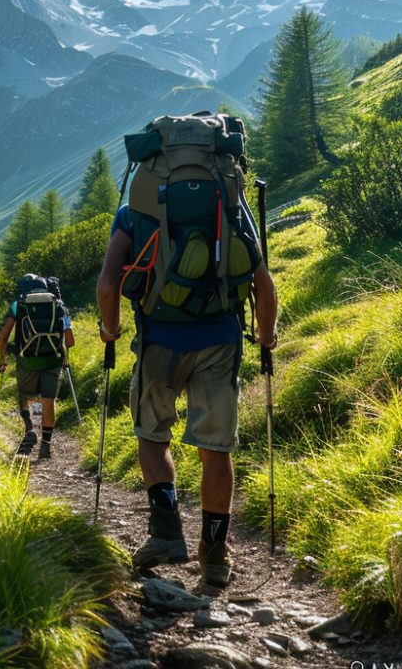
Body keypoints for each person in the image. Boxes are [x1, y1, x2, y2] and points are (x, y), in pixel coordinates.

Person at [96, 204, 277, 589]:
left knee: (151, 432)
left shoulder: (134, 212)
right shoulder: (233, 207)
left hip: (158, 338)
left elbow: (108, 286)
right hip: (221, 340)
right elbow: (264, 286)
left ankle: (166, 535)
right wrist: (266, 338)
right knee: (216, 445)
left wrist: (109, 331)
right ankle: (214, 555)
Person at [0, 275, 75, 461]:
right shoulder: (58, 304)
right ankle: (46, 445)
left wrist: (2, 359)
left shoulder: (19, 305)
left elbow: (2, 338)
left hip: (27, 360)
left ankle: (30, 430)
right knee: (48, 402)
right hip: (53, 360)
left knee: (26, 397)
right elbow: (70, 341)